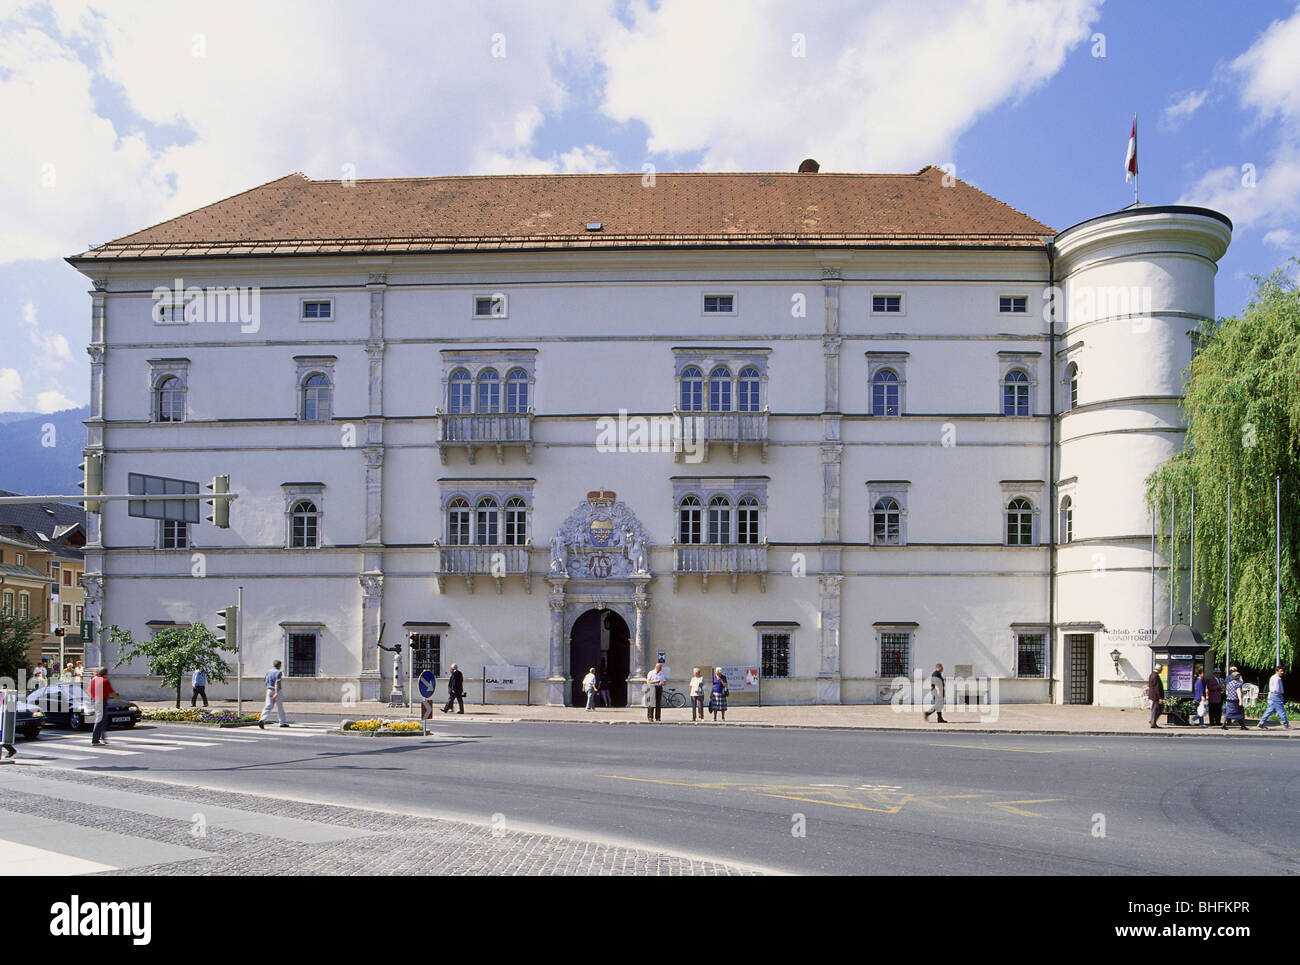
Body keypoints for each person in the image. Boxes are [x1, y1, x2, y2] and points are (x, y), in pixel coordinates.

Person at [87, 667, 114, 746]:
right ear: (105, 674)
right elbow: (111, 692)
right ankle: (95, 740)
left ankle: (102, 738)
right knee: (100, 721)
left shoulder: (93, 680)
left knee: (101, 720)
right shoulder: (104, 681)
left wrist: (93, 698)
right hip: (101, 701)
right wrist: (120, 701)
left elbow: (88, 691)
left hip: (95, 701)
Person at [258, 659, 288, 728]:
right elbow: (277, 682)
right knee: (280, 707)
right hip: (276, 690)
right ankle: (282, 722)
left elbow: (265, 681)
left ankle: (262, 720)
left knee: (268, 706)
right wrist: (276, 692)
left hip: (269, 690)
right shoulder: (279, 672)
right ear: (279, 665)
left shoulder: (268, 671)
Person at [1221, 666, 1247, 731]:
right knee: (1240, 713)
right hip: (1235, 700)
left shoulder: (1229, 684)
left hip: (1229, 700)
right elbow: (1239, 693)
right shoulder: (1237, 684)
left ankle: (1224, 724)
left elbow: (1227, 692)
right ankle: (1243, 726)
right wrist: (1240, 701)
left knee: (1228, 713)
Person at [1147, 663, 1165, 728]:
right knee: (1156, 710)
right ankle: (1153, 723)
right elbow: (1157, 688)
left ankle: (1152, 721)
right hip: (1155, 696)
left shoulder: (1152, 675)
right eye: (1161, 669)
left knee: (1157, 709)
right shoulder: (1155, 676)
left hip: (1153, 695)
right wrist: (1160, 698)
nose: (1162, 670)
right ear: (1159, 669)